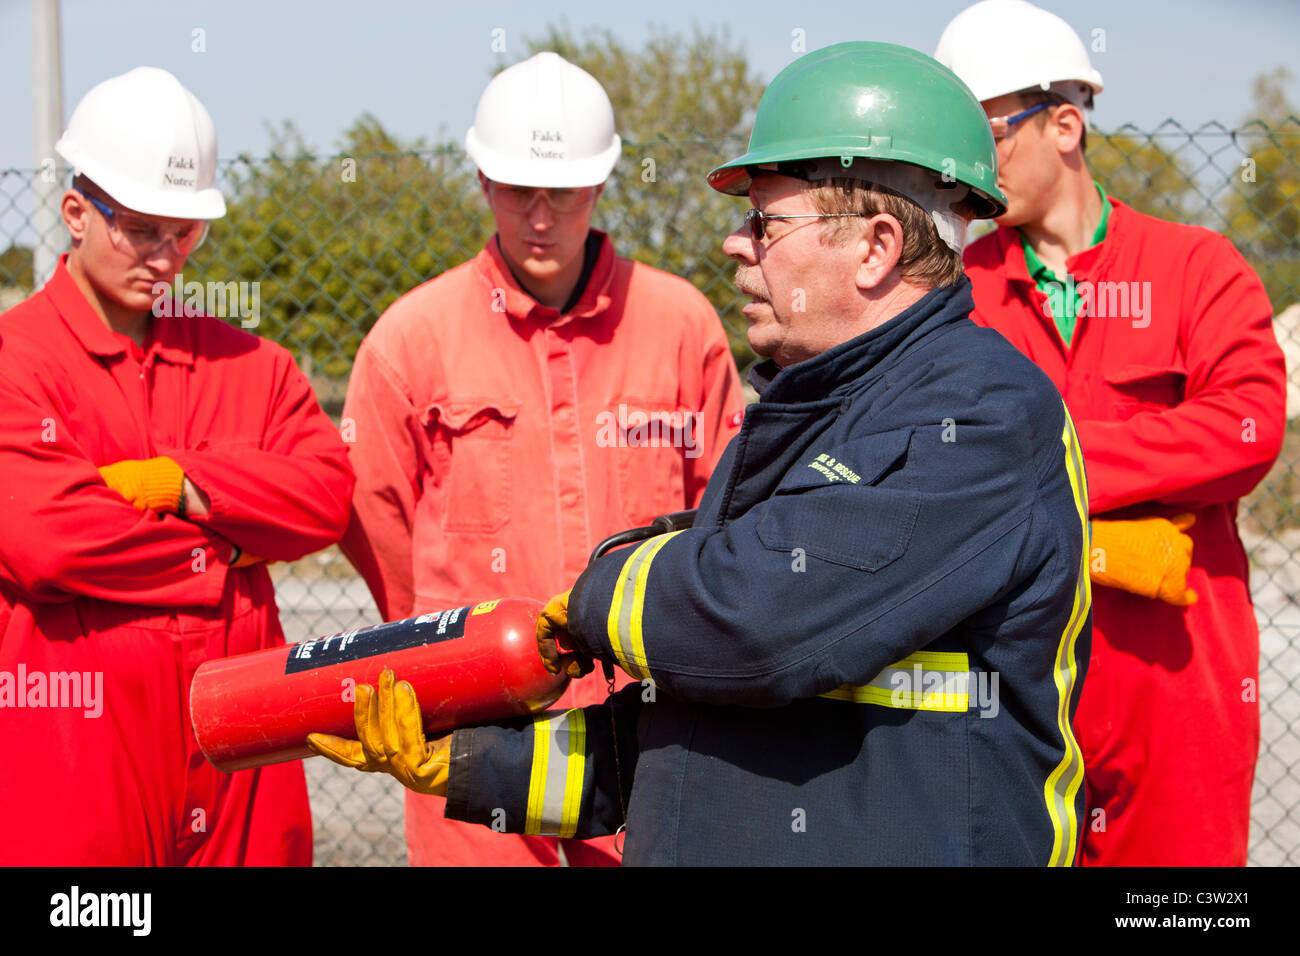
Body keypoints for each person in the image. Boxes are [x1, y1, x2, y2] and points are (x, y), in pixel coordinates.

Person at [313, 41, 1093, 866]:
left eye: (765, 220)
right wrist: (472, 762)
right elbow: (682, 730)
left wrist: (595, 596)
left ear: (876, 246)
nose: (735, 244)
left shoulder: (981, 416)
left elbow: (756, 625)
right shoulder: (806, 412)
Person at [338, 51, 744, 866]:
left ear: (601, 185)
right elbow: (372, 514)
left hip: (641, 727)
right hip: (469, 724)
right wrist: (447, 654)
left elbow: (723, 514)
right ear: (483, 181)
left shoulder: (679, 326)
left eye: (563, 191)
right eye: (520, 189)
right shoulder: (413, 341)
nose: (541, 216)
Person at [934, 0, 1286, 866]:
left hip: (1172, 684)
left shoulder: (1196, 269)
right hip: (1003, 682)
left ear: (1064, 123)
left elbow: (1243, 429)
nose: (969, 166)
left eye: (989, 134)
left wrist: (1042, 462)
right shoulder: (954, 293)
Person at [0, 67, 354, 865]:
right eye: (142, 229)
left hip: (243, 746)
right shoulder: (16, 360)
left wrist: (183, 483)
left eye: (186, 234)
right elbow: (46, 538)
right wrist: (228, 545)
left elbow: (325, 496)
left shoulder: (251, 364)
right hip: (75, 743)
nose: (166, 258)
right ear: (76, 213)